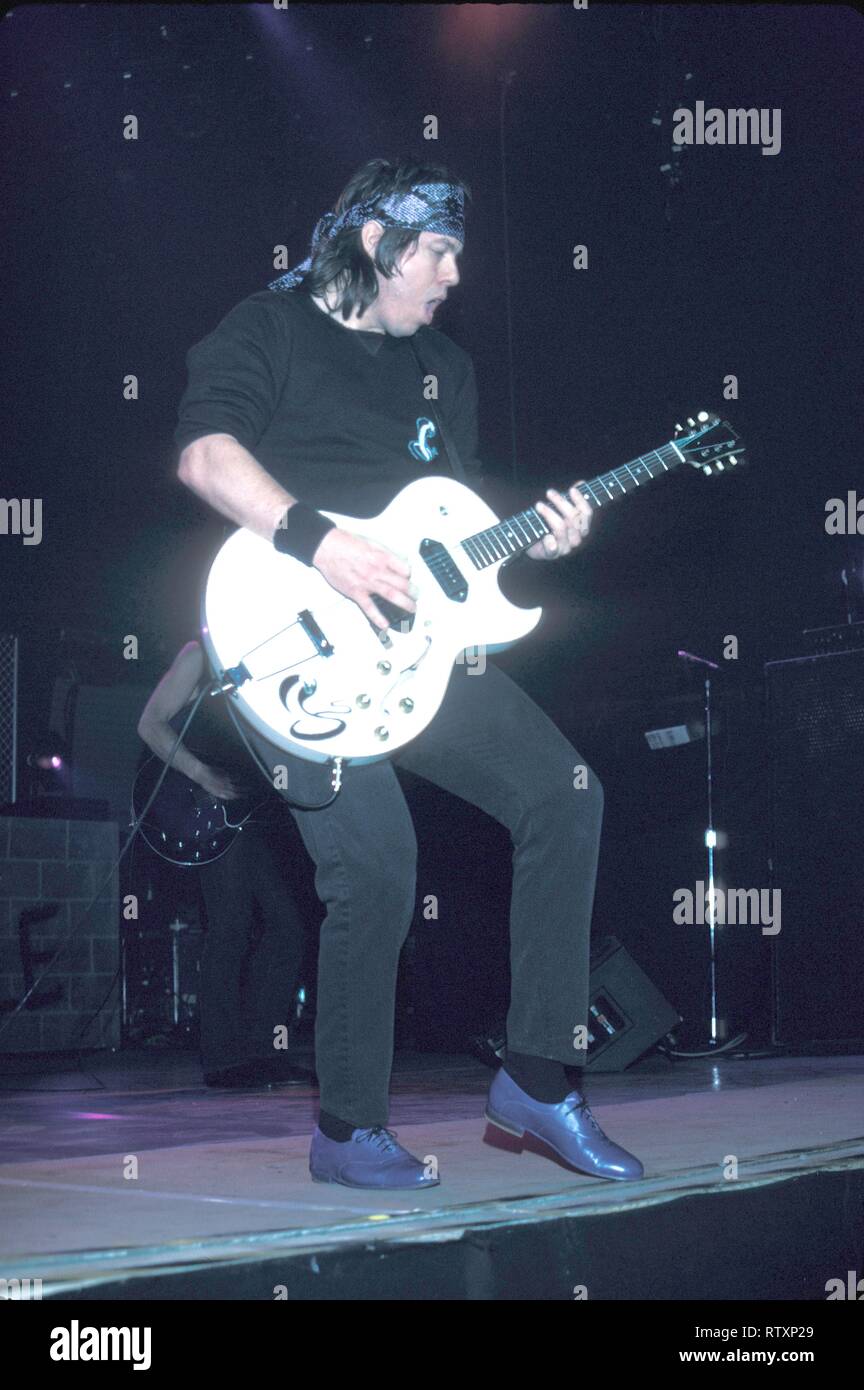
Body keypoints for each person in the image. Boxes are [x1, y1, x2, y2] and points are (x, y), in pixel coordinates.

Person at [174, 156, 644, 1187]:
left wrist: (537, 542)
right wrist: (319, 544)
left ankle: (539, 1074)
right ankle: (347, 1130)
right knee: (377, 862)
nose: (454, 275)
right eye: (439, 250)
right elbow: (207, 457)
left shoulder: (447, 371)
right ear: (379, 242)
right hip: (283, 640)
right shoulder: (269, 326)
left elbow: (452, 530)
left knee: (565, 794)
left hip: (411, 643)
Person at [137, 640, 314, 1089]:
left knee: (287, 926)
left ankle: (260, 1049)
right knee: (231, 923)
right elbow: (150, 724)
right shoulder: (200, 653)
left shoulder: (268, 661)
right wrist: (201, 775)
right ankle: (222, 1059)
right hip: (204, 806)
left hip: (246, 812)